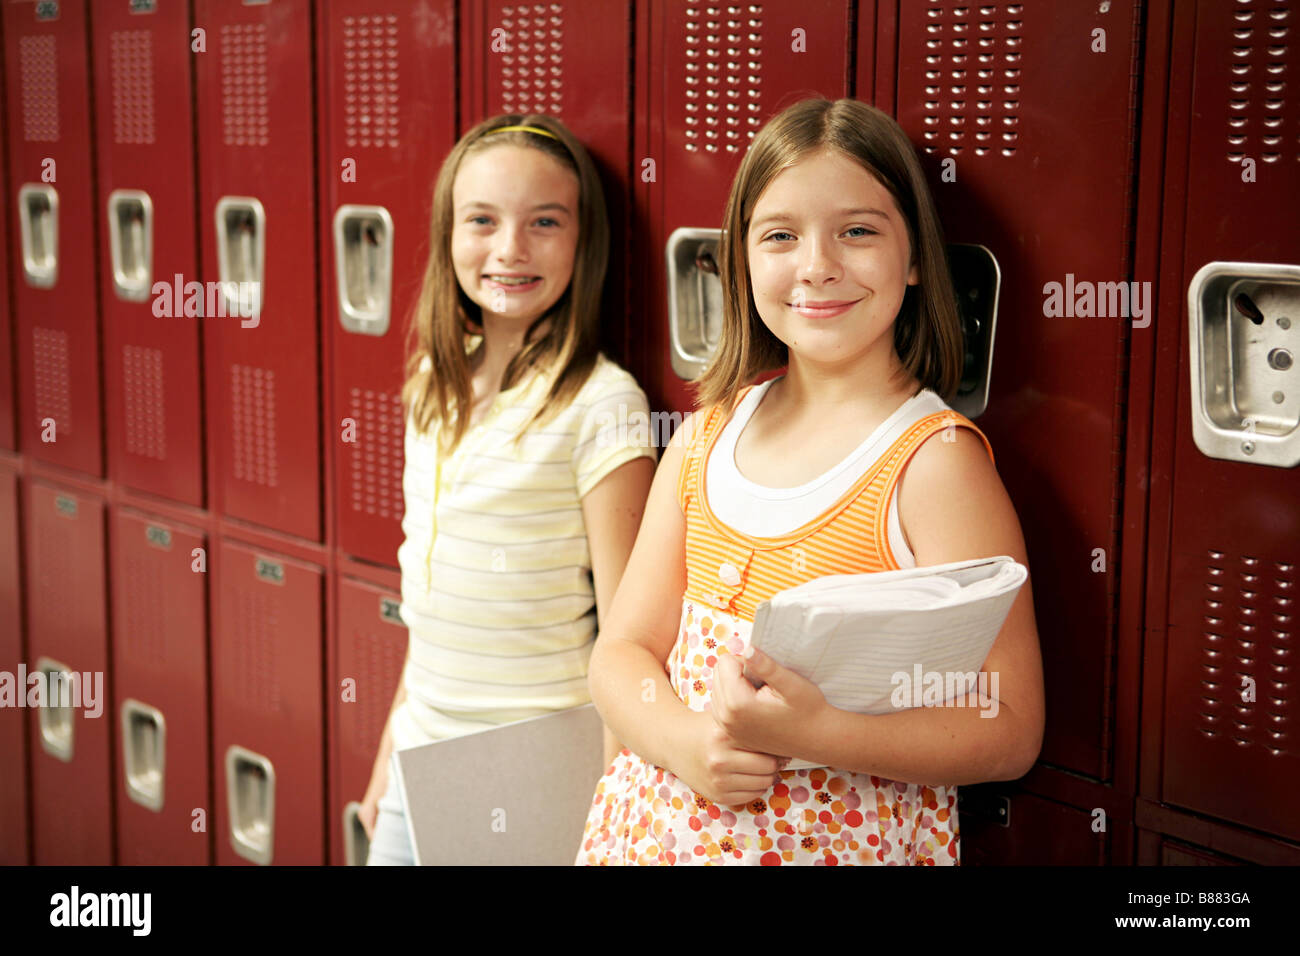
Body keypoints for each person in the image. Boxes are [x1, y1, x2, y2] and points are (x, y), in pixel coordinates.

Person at [576, 98, 1045, 865]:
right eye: (780, 236)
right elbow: (620, 652)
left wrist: (816, 734)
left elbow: (1010, 724)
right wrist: (689, 743)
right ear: (742, 259)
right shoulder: (701, 439)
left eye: (858, 231)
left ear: (917, 256)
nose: (817, 264)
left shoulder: (934, 465)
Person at [359, 114, 657, 865]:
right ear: (448, 234)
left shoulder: (601, 402)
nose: (509, 249)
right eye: (482, 221)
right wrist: (387, 754)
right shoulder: (434, 379)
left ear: (583, 242)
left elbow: (632, 631)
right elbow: (428, 609)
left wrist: (624, 808)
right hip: (417, 753)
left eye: (544, 222)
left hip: (532, 769)